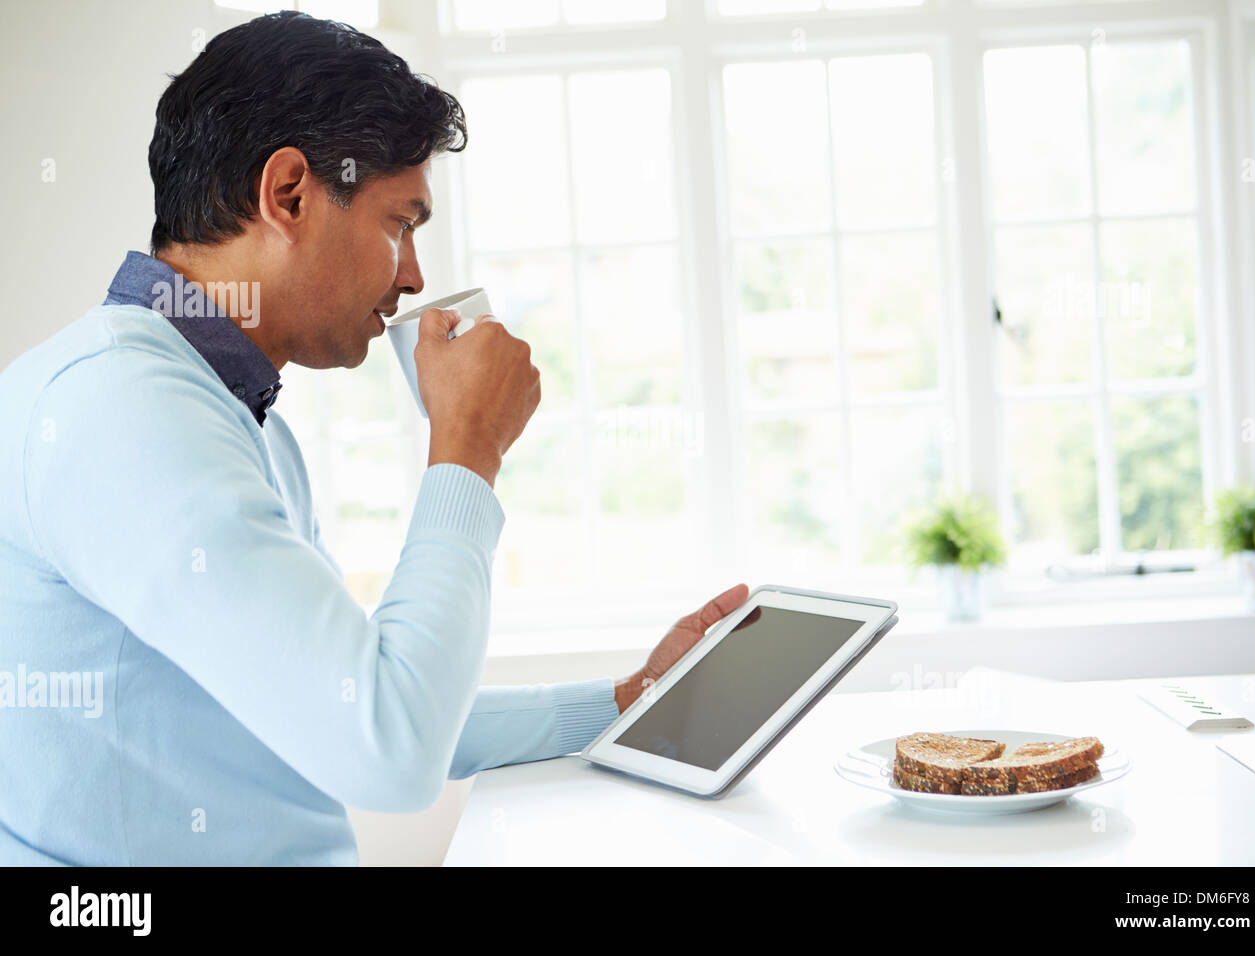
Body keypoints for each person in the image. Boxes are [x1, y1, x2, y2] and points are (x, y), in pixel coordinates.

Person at [0, 10, 747, 865]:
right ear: (288, 195)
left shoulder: (229, 415)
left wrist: (629, 700)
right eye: (402, 223)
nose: (415, 275)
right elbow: (386, 746)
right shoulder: (119, 410)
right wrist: (467, 451)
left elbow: (359, 693)